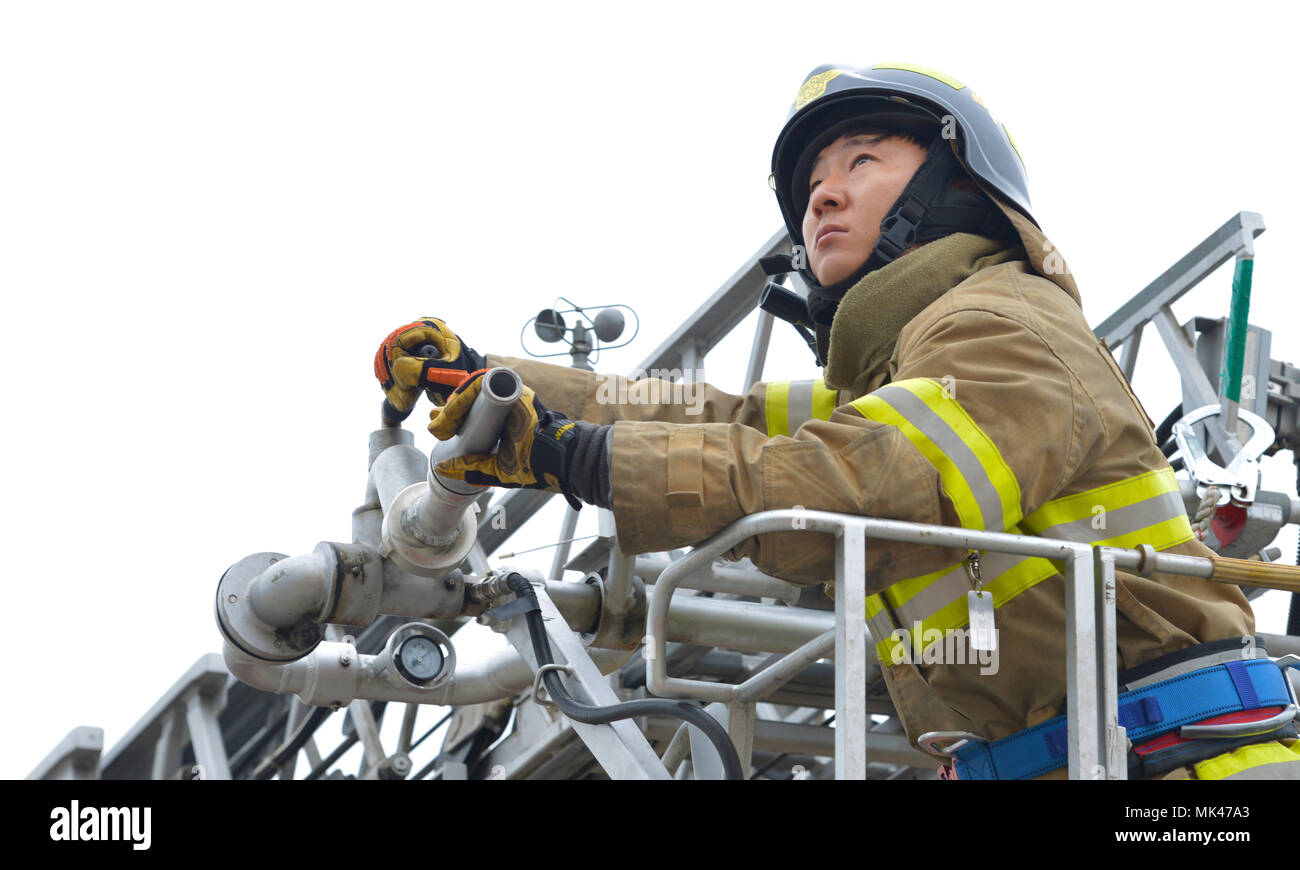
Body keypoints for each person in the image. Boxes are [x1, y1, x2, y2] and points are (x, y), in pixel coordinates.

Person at [374, 63, 1300, 779]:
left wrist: (577, 462)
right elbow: (709, 412)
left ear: (955, 185)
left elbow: (860, 482)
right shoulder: (899, 374)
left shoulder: (1003, 325)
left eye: (862, 159)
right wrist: (494, 379)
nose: (822, 195)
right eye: (813, 181)